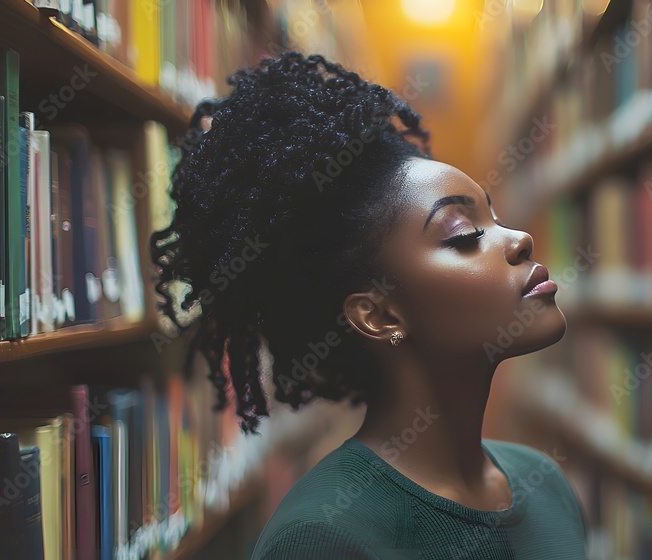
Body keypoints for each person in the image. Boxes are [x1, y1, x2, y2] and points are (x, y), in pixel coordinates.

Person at [151, 51, 587, 559]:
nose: (520, 239)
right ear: (378, 316)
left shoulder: (547, 487)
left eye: (495, 218)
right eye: (465, 234)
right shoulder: (324, 539)